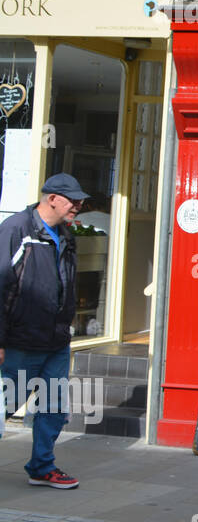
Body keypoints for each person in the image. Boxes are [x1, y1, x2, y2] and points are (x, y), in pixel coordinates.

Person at [0, 174, 89, 489]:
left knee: (53, 407)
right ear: (51, 198)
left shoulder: (65, 234)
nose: (78, 205)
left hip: (56, 340)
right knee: (7, 404)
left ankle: (42, 467)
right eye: (72, 200)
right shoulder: (16, 230)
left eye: (79, 200)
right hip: (21, 340)